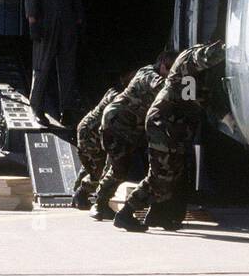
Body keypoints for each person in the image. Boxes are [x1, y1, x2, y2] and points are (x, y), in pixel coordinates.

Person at [115, 42, 224, 232]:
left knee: (173, 173)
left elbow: (196, 99)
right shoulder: (187, 59)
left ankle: (158, 216)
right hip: (163, 125)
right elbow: (206, 56)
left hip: (175, 127)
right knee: (161, 175)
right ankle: (125, 213)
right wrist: (231, 48)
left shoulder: (191, 79)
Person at [89, 49, 177, 221]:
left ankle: (100, 202)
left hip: (130, 128)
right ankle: (98, 203)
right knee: (118, 169)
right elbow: (163, 87)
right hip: (118, 124)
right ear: (160, 64)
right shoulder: (148, 74)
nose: (169, 74)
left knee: (118, 167)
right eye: (169, 69)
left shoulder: (155, 73)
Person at [25, 0, 84, 127]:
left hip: (66, 27)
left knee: (67, 69)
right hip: (46, 27)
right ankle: (36, 107)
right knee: (42, 69)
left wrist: (79, 20)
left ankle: (66, 110)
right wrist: (33, 22)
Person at [71, 79, 125, 210]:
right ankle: (81, 193)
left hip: (90, 130)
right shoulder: (116, 96)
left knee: (91, 165)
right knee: (98, 170)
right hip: (91, 132)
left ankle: (77, 195)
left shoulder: (114, 91)